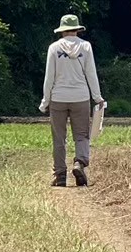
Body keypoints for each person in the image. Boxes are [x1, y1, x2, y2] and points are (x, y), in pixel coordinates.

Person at [39, 14, 104, 187]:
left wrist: (45, 101)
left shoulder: (54, 48)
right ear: (77, 29)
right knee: (82, 135)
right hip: (80, 97)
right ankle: (79, 163)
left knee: (59, 138)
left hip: (58, 98)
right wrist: (97, 97)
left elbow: (49, 77)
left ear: (62, 30)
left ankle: (60, 175)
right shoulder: (86, 47)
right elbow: (91, 73)